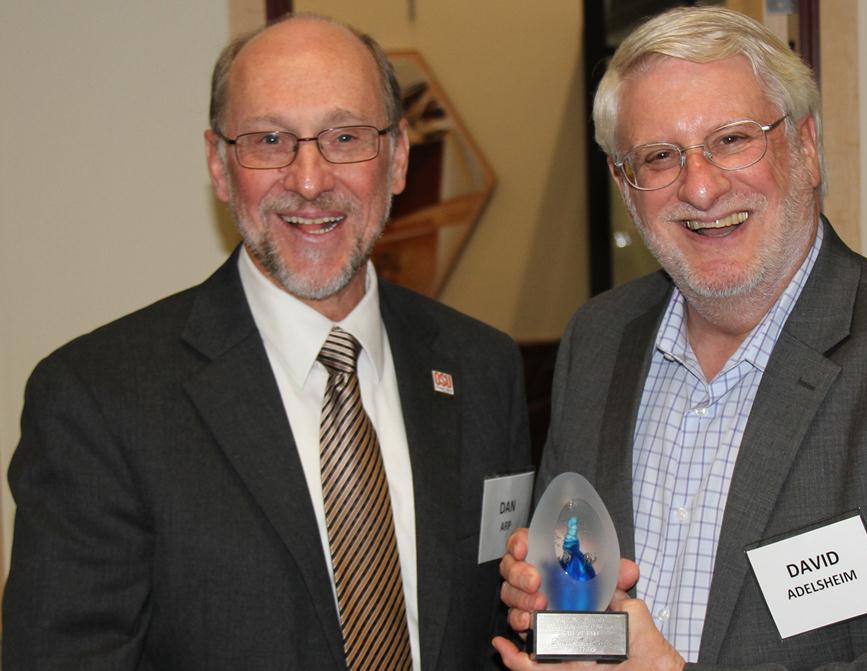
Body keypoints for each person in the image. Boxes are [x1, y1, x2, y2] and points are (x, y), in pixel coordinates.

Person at [494, 6, 867, 670]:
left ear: (805, 145)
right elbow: (589, 607)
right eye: (658, 156)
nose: (701, 185)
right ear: (625, 188)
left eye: (732, 139)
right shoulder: (597, 340)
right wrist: (549, 606)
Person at [3, 15, 530, 671]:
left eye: (345, 137)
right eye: (269, 139)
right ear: (220, 167)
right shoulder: (99, 398)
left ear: (396, 159)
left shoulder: (481, 366)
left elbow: (497, 629)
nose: (309, 180)